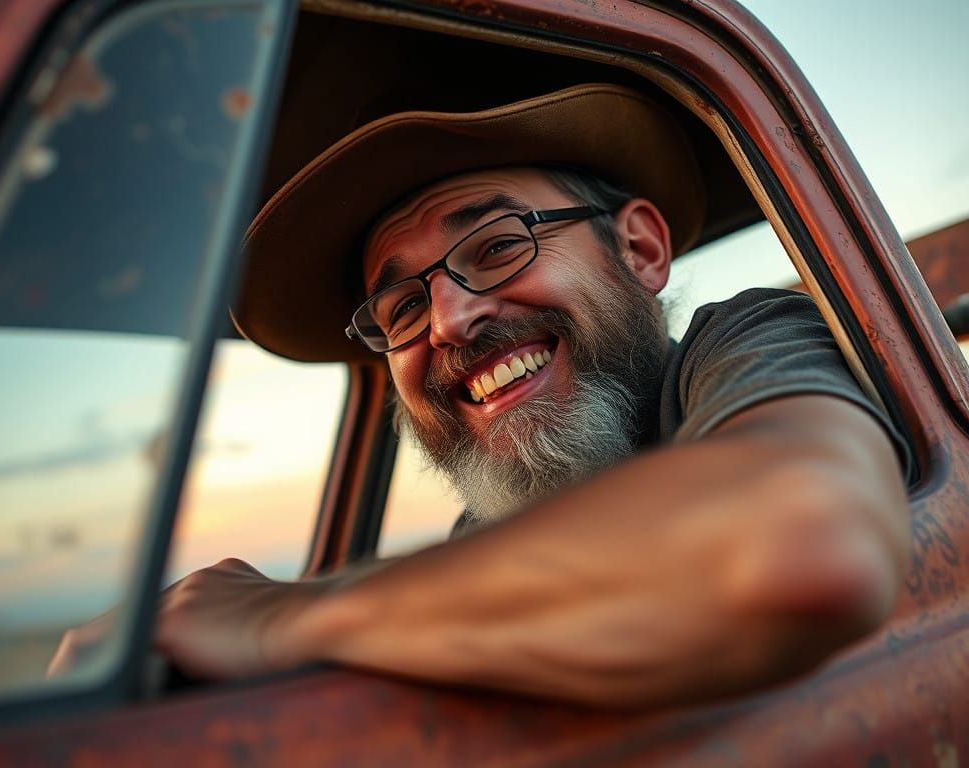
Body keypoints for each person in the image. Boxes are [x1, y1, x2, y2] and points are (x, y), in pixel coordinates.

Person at [50, 84, 910, 709]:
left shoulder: (751, 344)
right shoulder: (480, 541)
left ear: (641, 251)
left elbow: (798, 541)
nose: (450, 321)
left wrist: (280, 615)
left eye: (498, 246)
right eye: (401, 308)